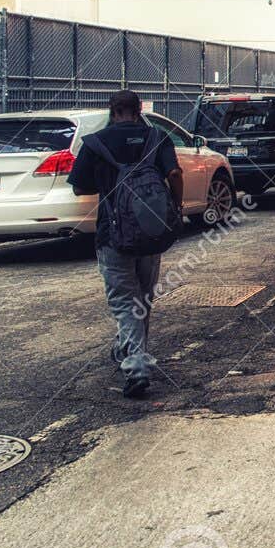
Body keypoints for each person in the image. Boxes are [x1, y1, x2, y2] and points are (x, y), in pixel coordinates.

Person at [67, 90, 183, 399]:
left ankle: (135, 366)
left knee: (122, 301)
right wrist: (177, 209)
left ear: (111, 110)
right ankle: (127, 350)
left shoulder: (95, 142)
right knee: (142, 299)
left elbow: (79, 186)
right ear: (139, 109)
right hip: (151, 233)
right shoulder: (157, 137)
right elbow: (174, 173)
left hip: (112, 234)